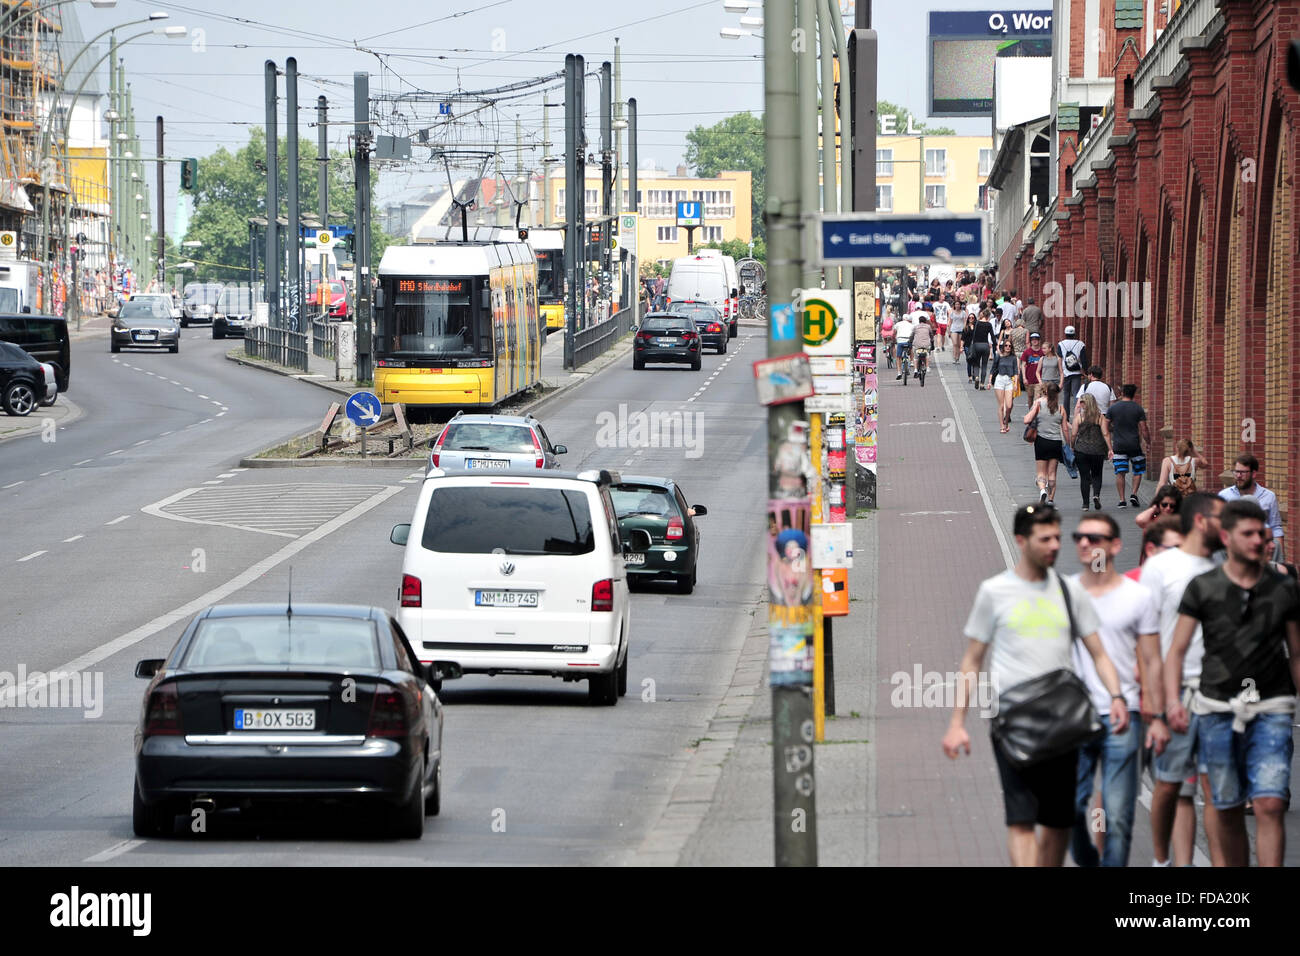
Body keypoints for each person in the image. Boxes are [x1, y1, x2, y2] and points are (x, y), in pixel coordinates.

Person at [943, 503, 1130, 867]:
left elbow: (1099, 653)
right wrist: (956, 724)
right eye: (1045, 539)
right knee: (1022, 818)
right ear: (1021, 540)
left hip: (1063, 723)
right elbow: (972, 660)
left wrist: (1117, 696)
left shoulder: (1069, 591)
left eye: (1058, 537)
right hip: (1012, 723)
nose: (1055, 546)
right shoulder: (994, 592)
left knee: (1058, 822)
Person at [1166, 498, 1300, 866]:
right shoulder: (1203, 587)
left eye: (1262, 532)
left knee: (1269, 803)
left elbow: (1297, 652)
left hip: (1272, 704)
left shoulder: (1284, 588)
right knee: (1225, 807)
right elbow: (1176, 650)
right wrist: (1173, 703)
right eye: (1248, 534)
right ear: (1226, 537)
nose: (1258, 540)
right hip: (1216, 707)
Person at [1069, 511, 1167, 867]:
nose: (1084, 543)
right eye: (1080, 537)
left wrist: (1156, 717)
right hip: (1073, 719)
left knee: (1117, 813)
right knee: (1070, 808)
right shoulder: (1064, 594)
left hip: (1124, 715)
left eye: (1094, 538)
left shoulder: (1138, 597)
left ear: (1115, 546)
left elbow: (1153, 661)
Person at [1140, 492, 1225, 867]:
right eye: (1223, 518)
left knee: (1215, 789)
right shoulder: (1161, 568)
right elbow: (1147, 639)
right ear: (1202, 522)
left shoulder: (1227, 565)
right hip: (1177, 690)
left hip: (1219, 694)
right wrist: (1154, 702)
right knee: (1173, 786)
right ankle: (1164, 860)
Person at [1218, 454, 1285, 563]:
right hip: (1233, 555)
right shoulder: (1224, 496)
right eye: (1236, 472)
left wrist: (1280, 561)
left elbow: (1275, 528)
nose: (1238, 476)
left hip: (1262, 554)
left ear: (1253, 473)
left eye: (1242, 472)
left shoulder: (1268, 496)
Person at [1107, 384, 1152, 508]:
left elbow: (1105, 425)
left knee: (1120, 473)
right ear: (1134, 394)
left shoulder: (1113, 408)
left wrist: (1109, 439)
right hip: (1134, 444)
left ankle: (1122, 500)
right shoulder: (1138, 409)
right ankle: (1134, 493)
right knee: (1138, 470)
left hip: (1119, 445)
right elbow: (1144, 428)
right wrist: (1148, 442)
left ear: (1122, 393)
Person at [1025, 382, 1067, 504]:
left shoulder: (1039, 404)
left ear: (1046, 392)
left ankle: (1042, 490)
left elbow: (1027, 420)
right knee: (1052, 473)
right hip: (1056, 443)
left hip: (1041, 442)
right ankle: (1051, 499)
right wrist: (1069, 444)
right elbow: (1065, 429)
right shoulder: (1061, 408)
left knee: (1041, 472)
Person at [1071, 393, 1109, 511]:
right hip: (1098, 450)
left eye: (1082, 402)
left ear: (1086, 403)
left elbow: (1073, 434)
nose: (1081, 404)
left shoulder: (1079, 417)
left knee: (1084, 477)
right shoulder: (1100, 417)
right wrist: (1110, 448)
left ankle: (1085, 504)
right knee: (1097, 475)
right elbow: (1106, 433)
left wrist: (1071, 446)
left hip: (1081, 450)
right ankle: (1096, 495)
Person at [1126, 515, 1185, 582]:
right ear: (1151, 550)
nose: (1182, 553)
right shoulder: (1130, 584)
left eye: (1183, 548)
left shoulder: (1190, 580)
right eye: (1174, 548)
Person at [1057, 326, 1088, 422]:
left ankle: (1065, 417)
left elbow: (1059, 358)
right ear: (1074, 334)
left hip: (1066, 372)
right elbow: (1084, 360)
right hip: (1076, 372)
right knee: (1076, 394)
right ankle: (1077, 416)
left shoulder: (1060, 344)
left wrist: (1061, 371)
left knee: (1066, 394)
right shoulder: (1080, 344)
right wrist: (1085, 372)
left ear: (1065, 334)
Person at [990, 339, 1019, 432]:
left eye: (1010, 346)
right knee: (1001, 405)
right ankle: (1002, 426)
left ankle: (1006, 422)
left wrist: (1015, 384)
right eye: (1006, 346)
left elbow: (1016, 371)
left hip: (1009, 381)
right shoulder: (999, 356)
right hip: (1000, 380)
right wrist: (990, 380)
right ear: (1003, 347)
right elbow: (993, 368)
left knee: (1009, 405)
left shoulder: (1013, 358)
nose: (1008, 347)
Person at [969, 309, 996, 389]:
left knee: (976, 363)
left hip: (977, 345)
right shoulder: (989, 325)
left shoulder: (976, 323)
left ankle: (976, 377)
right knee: (984, 365)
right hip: (985, 345)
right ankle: (982, 384)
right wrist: (996, 345)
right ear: (988, 316)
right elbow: (992, 336)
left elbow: (973, 335)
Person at [1020, 332, 1046, 410]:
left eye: (1036, 339)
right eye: (1033, 339)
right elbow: (1023, 365)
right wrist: (1024, 378)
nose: (1034, 341)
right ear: (1030, 341)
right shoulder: (1027, 352)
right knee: (1030, 397)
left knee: (1037, 398)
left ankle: (1035, 415)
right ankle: (1031, 413)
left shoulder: (1043, 352)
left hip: (1039, 379)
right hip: (1029, 378)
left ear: (1039, 341)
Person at [911, 316, 933, 386]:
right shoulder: (928, 327)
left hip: (917, 345)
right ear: (925, 321)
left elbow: (912, 335)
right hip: (926, 344)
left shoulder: (916, 327)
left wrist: (910, 341)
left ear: (919, 321)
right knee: (927, 354)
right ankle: (927, 367)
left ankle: (915, 369)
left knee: (915, 357)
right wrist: (932, 340)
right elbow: (931, 334)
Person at [893, 310, 914, 379]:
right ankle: (911, 361)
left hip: (900, 341)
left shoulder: (898, 324)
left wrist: (894, 338)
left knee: (898, 357)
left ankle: (899, 372)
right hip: (908, 340)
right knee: (911, 348)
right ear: (908, 319)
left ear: (902, 318)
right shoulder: (911, 325)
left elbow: (894, 332)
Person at [948, 294, 967, 364]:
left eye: (958, 304)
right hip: (954, 329)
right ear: (954, 305)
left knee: (959, 344)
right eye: (956, 304)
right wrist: (949, 331)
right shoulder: (952, 313)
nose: (957, 306)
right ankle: (954, 357)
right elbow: (950, 322)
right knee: (955, 344)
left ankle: (958, 358)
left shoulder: (963, 312)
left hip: (961, 329)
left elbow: (965, 321)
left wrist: (965, 329)